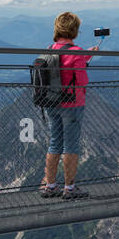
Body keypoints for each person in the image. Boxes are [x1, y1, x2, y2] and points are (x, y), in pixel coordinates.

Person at [41, 11, 100, 199]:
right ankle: (70, 188)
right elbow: (82, 81)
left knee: (54, 142)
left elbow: (63, 66)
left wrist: (85, 56)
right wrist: (82, 59)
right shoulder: (76, 53)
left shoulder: (50, 49)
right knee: (71, 145)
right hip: (72, 104)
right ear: (74, 30)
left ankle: (50, 186)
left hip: (51, 103)